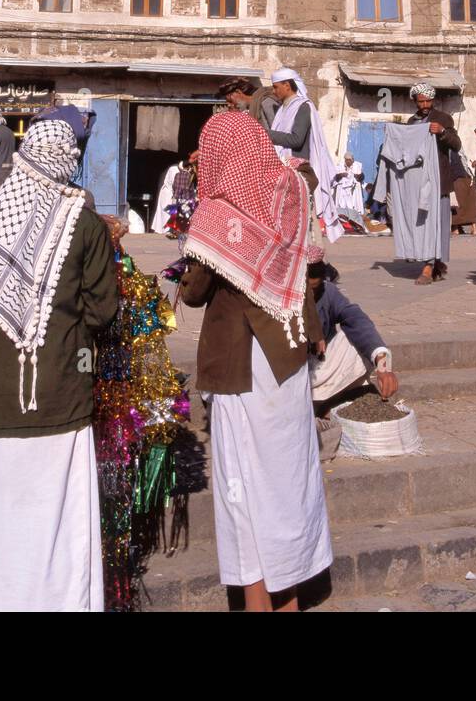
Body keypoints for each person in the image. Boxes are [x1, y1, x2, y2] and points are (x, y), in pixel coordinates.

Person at [0, 118, 117, 611]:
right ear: (70, 156)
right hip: (62, 397)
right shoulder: (88, 223)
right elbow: (102, 312)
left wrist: (6, 307)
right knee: (57, 528)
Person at [177, 111, 332, 612]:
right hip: (287, 356)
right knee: (287, 477)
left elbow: (196, 292)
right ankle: (290, 595)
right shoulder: (289, 192)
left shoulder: (219, 213)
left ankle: (257, 599)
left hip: (239, 363)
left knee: (242, 482)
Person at [307, 260, 397, 413]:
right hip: (293, 375)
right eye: (306, 289)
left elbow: (356, 319)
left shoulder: (327, 291)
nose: (311, 295)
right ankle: (312, 405)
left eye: (314, 289)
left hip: (321, 367)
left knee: (358, 340)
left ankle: (326, 402)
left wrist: (383, 366)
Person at [267, 68, 343, 242]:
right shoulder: (282, 110)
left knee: (307, 223)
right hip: (285, 173)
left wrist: (266, 134)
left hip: (300, 173)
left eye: (276, 86)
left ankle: (315, 263)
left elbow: (296, 139)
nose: (274, 91)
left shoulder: (303, 107)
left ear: (287, 85)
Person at [406, 82, 472, 282]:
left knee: (437, 225)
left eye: (428, 100)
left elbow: (456, 143)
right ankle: (432, 262)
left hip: (438, 181)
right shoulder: (412, 122)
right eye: (421, 101)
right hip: (417, 181)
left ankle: (429, 266)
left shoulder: (443, 118)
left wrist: (442, 132)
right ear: (415, 102)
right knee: (422, 224)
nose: (425, 104)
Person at [331, 153, 366, 226]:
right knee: (342, 206)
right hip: (342, 190)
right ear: (345, 160)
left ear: (353, 160)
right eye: (347, 160)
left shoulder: (357, 166)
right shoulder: (340, 166)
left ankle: (355, 222)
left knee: (354, 206)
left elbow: (362, 177)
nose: (349, 162)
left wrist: (357, 176)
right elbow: (335, 177)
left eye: (350, 160)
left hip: (354, 191)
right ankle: (342, 222)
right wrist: (342, 175)